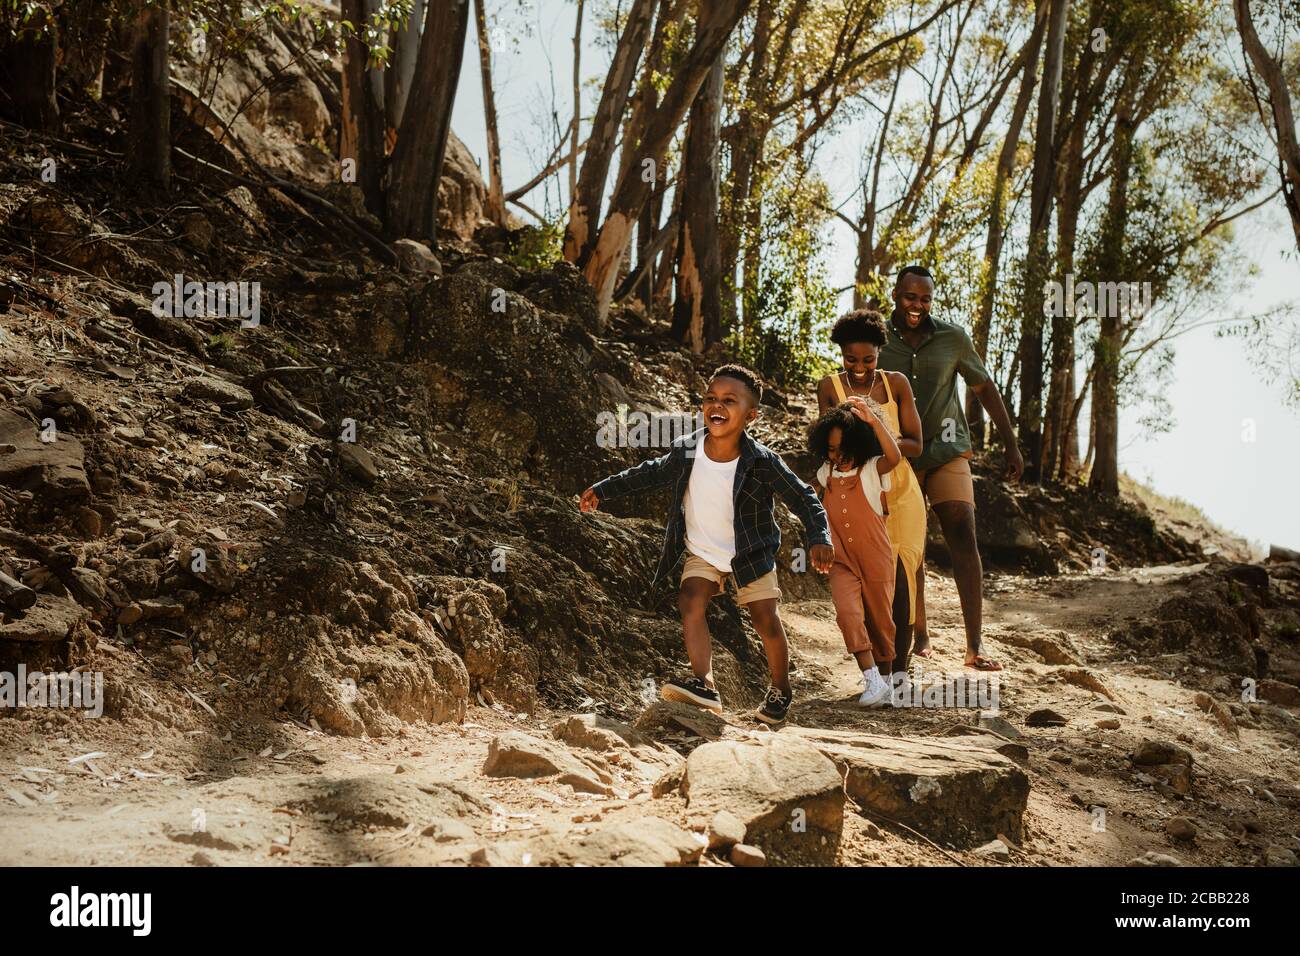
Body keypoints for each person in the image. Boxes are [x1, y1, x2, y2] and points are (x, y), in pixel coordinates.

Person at [579, 364, 834, 725]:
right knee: (690, 600)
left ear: (751, 415)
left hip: (750, 552)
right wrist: (604, 489)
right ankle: (705, 683)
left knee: (765, 619)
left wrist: (819, 536)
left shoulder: (762, 462)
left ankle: (780, 688)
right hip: (704, 551)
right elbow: (649, 473)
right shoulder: (687, 450)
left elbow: (804, 497)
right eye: (711, 398)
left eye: (730, 400)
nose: (718, 405)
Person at [877, 265, 1024, 671]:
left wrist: (1010, 443)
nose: (917, 306)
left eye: (924, 299)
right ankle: (919, 633)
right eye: (910, 297)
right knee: (910, 547)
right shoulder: (878, 339)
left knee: (962, 527)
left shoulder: (953, 338)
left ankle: (974, 644)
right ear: (895, 294)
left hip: (947, 449)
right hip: (899, 454)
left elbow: (984, 387)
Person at [816, 309, 925, 692]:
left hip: (899, 487)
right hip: (859, 489)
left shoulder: (897, 384)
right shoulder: (829, 386)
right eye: (851, 359)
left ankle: (899, 670)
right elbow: (828, 441)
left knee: (901, 574)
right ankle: (876, 674)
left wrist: (876, 433)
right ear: (841, 354)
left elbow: (914, 443)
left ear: (880, 352)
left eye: (868, 359)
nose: (859, 368)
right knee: (866, 583)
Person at [808, 398, 902, 707]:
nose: (839, 456)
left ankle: (887, 682)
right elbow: (813, 507)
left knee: (880, 620)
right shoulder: (826, 473)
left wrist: (874, 421)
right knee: (847, 613)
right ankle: (871, 677)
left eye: (845, 449)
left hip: (876, 558)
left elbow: (895, 455)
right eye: (832, 450)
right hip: (842, 560)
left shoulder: (873, 469)